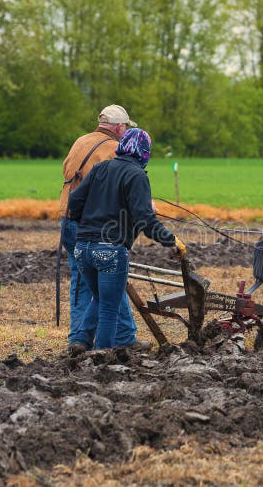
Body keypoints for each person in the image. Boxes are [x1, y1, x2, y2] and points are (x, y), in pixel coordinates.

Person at [67, 127, 186, 350]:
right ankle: (101, 355)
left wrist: (88, 224)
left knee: (99, 297)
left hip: (82, 248)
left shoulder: (100, 168)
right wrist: (171, 240)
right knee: (109, 307)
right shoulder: (137, 175)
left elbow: (73, 202)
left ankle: (81, 340)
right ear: (144, 152)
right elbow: (145, 220)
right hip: (110, 250)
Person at [58, 104, 137, 352]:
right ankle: (122, 339)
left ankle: (79, 339)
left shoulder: (80, 141)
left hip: (67, 218)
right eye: (126, 128)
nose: (126, 133)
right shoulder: (113, 149)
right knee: (112, 277)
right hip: (94, 224)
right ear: (119, 127)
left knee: (81, 281)